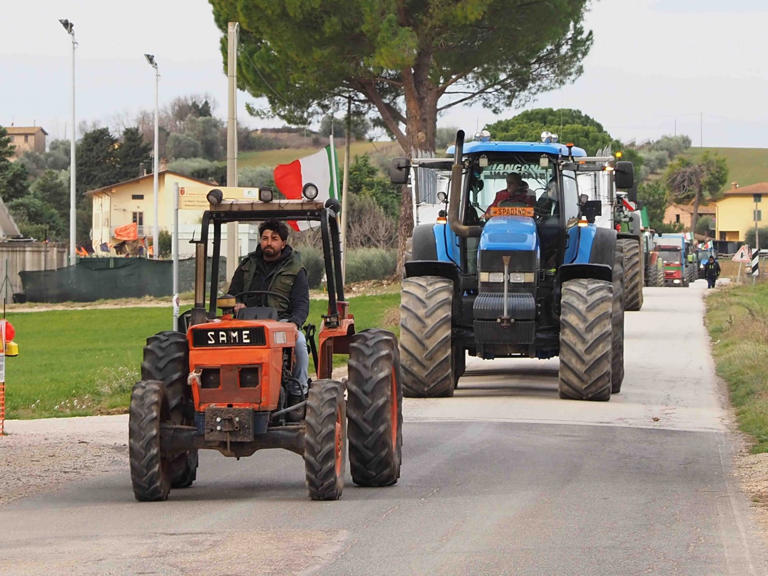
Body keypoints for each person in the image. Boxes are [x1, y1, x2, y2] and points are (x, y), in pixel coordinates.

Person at [227, 219, 310, 408]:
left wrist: (294, 324)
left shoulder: (296, 270)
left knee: (299, 342)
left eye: (274, 238)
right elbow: (232, 293)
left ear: (283, 243)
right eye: (264, 238)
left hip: (281, 323)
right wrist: (236, 303)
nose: (268, 243)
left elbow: (301, 304)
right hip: (247, 323)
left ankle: (298, 393)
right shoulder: (247, 265)